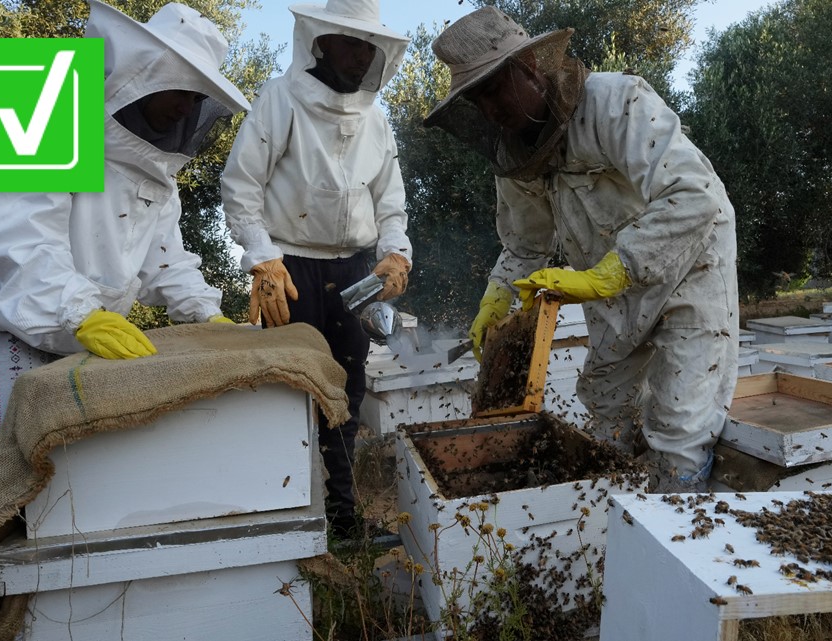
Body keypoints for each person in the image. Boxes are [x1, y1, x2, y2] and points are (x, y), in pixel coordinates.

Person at [0, 0, 250, 518]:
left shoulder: (158, 171)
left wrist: (209, 315)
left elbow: (165, 259)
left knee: (50, 513)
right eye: (182, 88)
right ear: (144, 70)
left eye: (199, 95)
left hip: (66, 339)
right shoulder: (39, 103)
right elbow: (21, 238)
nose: (188, 106)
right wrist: (77, 312)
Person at [424, 7, 740, 492]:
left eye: (493, 89)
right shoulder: (516, 157)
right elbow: (525, 244)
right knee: (606, 408)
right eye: (476, 99)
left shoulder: (616, 101)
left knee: (680, 428)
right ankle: (611, 528)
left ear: (529, 67)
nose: (489, 110)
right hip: (614, 290)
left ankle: (679, 526)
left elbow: (695, 194)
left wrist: (610, 274)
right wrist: (496, 297)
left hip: (688, 268)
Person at [220, 0, 411, 537]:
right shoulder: (279, 100)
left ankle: (345, 519)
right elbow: (240, 187)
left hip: (356, 272)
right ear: (321, 42)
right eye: (351, 42)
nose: (361, 55)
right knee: (288, 393)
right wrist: (262, 258)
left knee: (346, 392)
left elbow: (391, 205)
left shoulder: (376, 120)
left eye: (369, 46)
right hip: (291, 271)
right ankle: (285, 520)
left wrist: (397, 253)